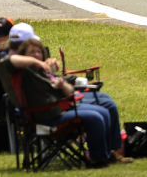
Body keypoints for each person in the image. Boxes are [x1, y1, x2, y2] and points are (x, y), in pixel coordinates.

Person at [7, 38, 131, 166]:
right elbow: (10, 60)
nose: (36, 55)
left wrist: (62, 85)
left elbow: (69, 91)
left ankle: (106, 154)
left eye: (38, 52)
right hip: (48, 117)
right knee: (97, 116)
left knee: (104, 110)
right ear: (24, 55)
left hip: (60, 107)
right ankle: (97, 158)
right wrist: (39, 63)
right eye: (31, 52)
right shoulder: (26, 72)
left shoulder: (42, 72)